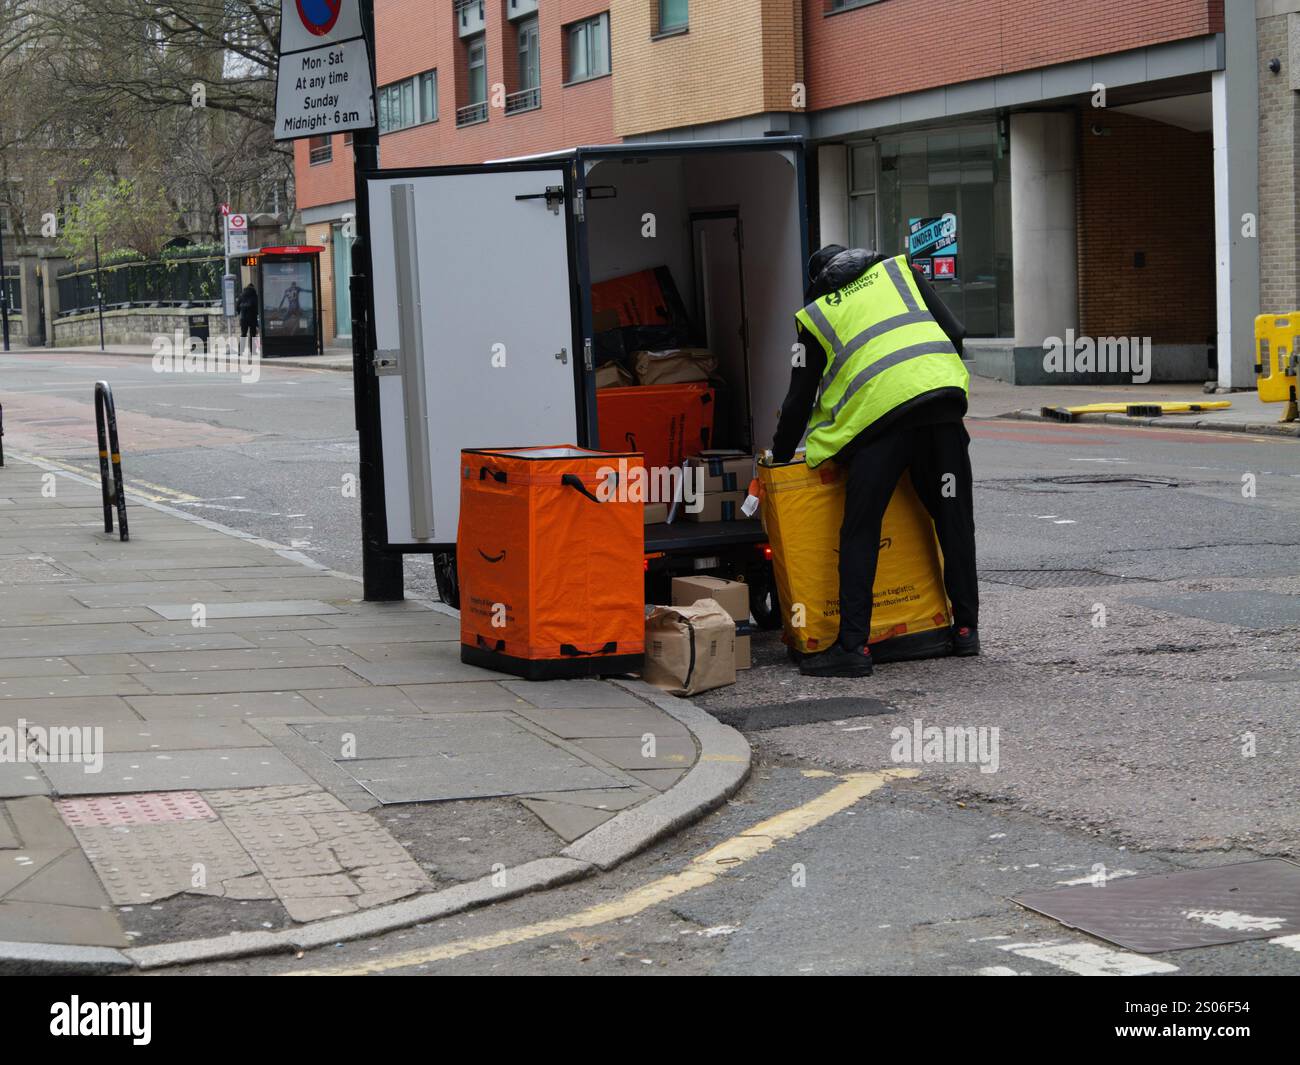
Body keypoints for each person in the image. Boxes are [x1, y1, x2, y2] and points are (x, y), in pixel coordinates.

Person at [772, 245, 979, 678]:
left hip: (880, 426)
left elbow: (798, 400)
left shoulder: (819, 314)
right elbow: (956, 333)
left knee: (861, 530)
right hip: (941, 409)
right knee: (953, 519)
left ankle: (852, 647)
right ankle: (964, 632)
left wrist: (781, 455)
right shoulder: (901, 273)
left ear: (820, 280)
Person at [236, 283, 259, 350]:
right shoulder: (254, 296)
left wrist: (240, 313)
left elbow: (237, 307)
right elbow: (257, 307)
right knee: (253, 334)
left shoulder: (241, 295)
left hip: (243, 318)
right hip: (252, 318)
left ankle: (240, 350)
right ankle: (252, 350)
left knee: (243, 334)